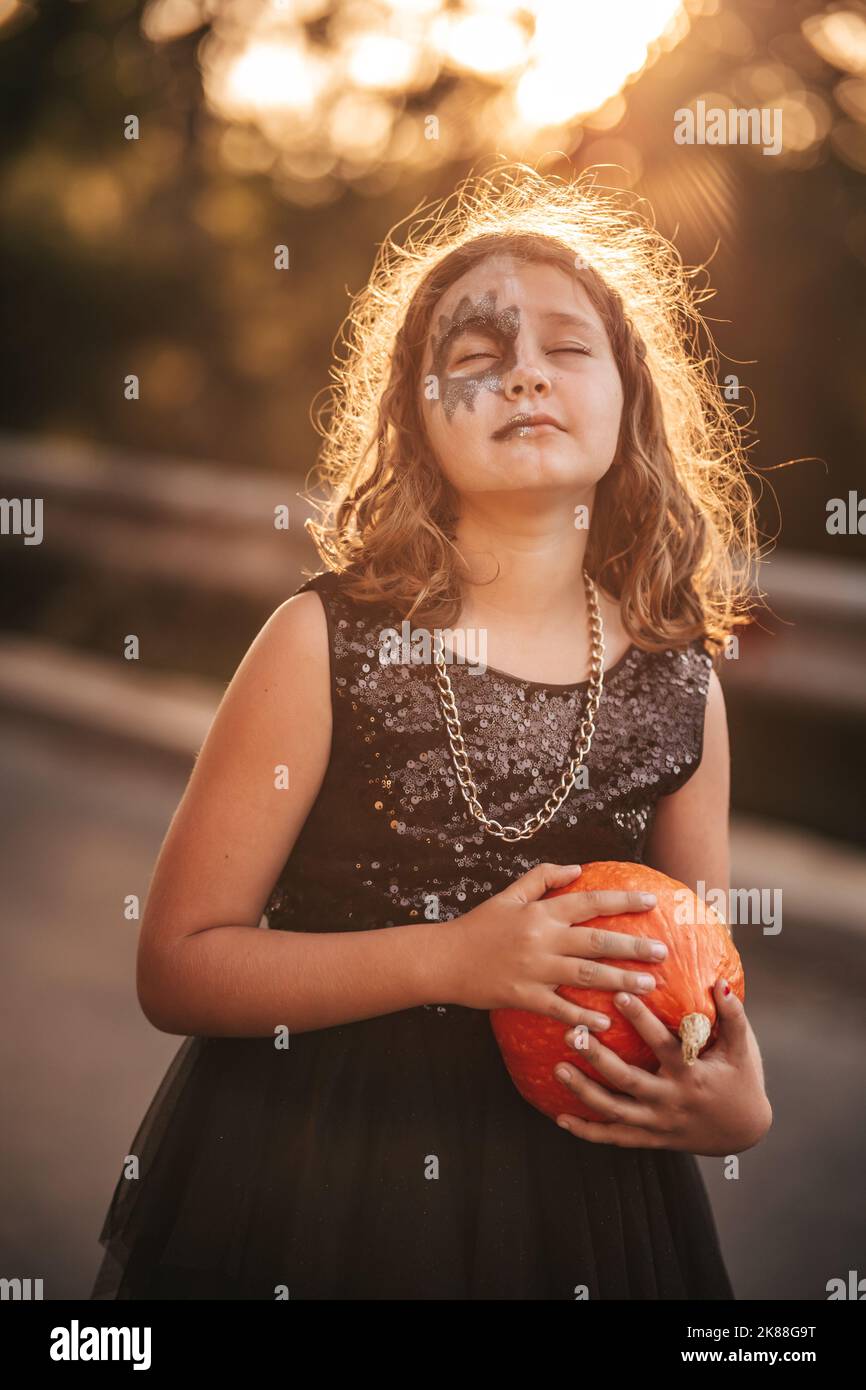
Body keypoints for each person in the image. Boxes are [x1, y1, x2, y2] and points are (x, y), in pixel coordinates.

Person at [90, 165, 772, 1301]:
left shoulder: (680, 685)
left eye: (565, 346)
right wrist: (451, 960)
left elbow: (701, 991)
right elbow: (178, 966)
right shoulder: (320, 641)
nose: (521, 372)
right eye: (474, 355)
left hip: (582, 1211)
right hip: (315, 1174)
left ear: (628, 399)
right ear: (418, 414)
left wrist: (734, 1107)